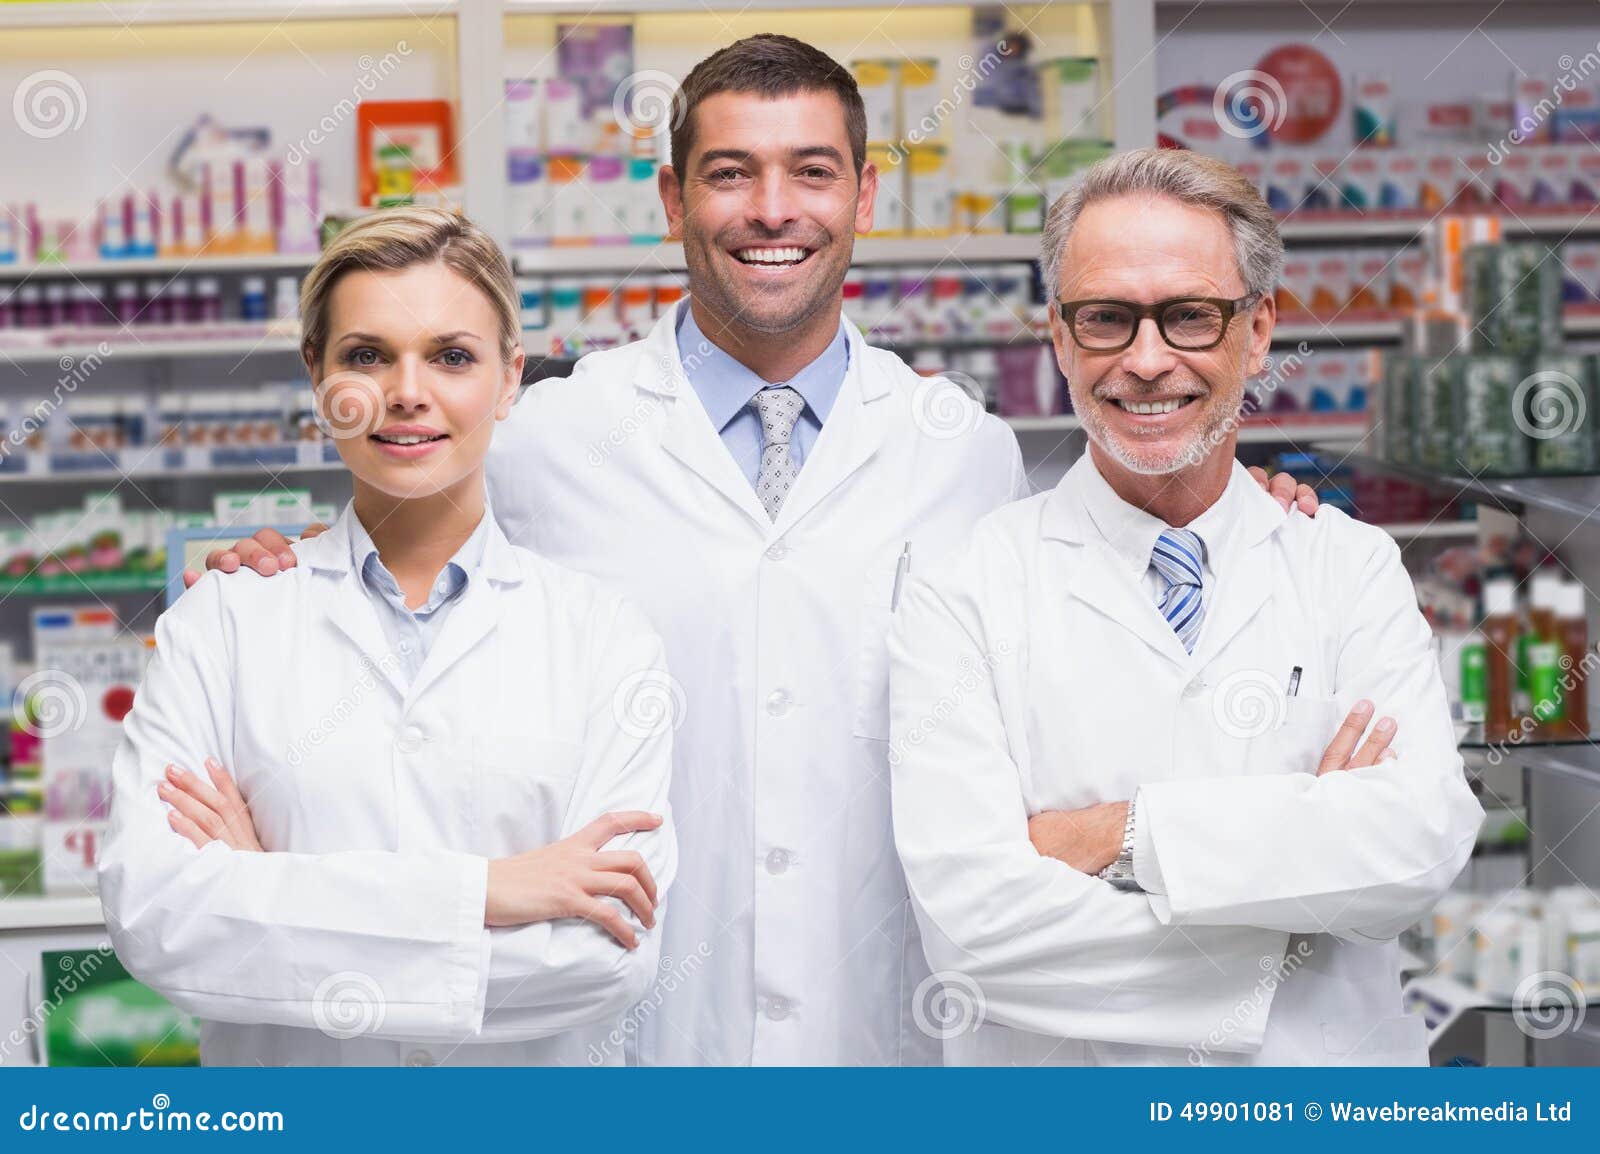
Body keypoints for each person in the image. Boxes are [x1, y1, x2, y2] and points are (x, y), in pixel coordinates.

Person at [195, 38, 1318, 1066]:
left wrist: (1233, 512)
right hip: (620, 1034)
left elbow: (1088, 621)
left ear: (863, 195)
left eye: (811, 172)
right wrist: (280, 575)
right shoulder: (544, 439)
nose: (771, 209)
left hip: (890, 1030)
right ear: (673, 198)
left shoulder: (962, 451)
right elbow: (398, 591)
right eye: (730, 173)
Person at [889, 147, 1484, 1066]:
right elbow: (975, 934)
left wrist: (1123, 834)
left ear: (1258, 330)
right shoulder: (962, 591)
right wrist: (1298, 919)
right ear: (1059, 337)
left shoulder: (1350, 568)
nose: (1146, 360)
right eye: (1106, 318)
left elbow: (1418, 842)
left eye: (1190, 316)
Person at [98, 208, 676, 1066]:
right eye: (367, 355)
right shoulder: (223, 620)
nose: (407, 391)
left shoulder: (605, 639)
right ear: (317, 374)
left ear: (510, 377)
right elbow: (159, 918)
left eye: (452, 356)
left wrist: (264, 887)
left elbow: (606, 956)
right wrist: (491, 891)